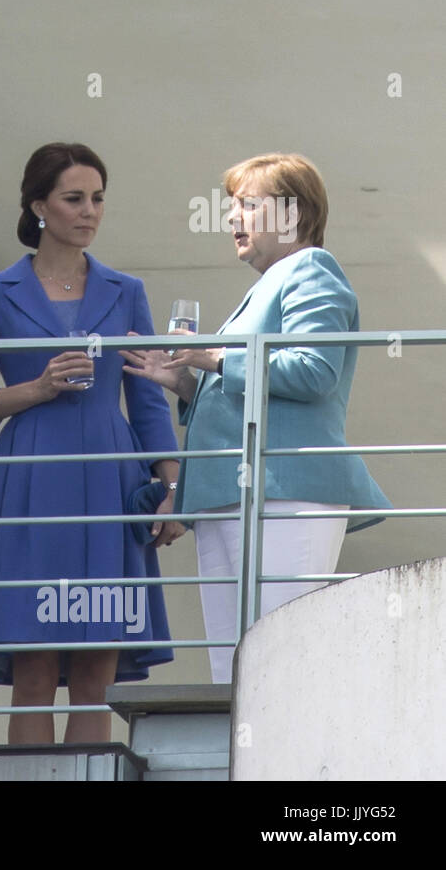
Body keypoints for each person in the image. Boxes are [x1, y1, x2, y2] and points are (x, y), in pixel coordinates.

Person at [0, 143, 182, 745]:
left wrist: (175, 488)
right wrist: (36, 388)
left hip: (112, 477)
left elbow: (148, 399)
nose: (89, 211)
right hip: (33, 475)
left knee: (98, 666)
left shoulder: (127, 291)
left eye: (98, 198)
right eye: (75, 198)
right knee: (34, 661)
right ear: (39, 205)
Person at [121, 153, 391, 684]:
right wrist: (186, 380)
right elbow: (253, 382)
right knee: (232, 668)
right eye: (232, 207)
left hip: (285, 488)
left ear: (291, 215)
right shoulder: (266, 285)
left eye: (248, 205)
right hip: (228, 492)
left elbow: (315, 371)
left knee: (282, 656)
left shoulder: (312, 267)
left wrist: (214, 357)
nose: (232, 219)